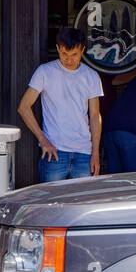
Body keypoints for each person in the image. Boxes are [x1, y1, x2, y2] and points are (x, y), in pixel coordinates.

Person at [18, 27, 103, 181]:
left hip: (84, 152)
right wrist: (43, 140)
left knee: (83, 204)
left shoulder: (91, 76)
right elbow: (23, 107)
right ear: (57, 49)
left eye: (74, 54)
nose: (69, 59)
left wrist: (95, 152)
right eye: (64, 53)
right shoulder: (45, 72)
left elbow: (95, 115)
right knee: (51, 204)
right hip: (55, 151)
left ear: (82, 50)